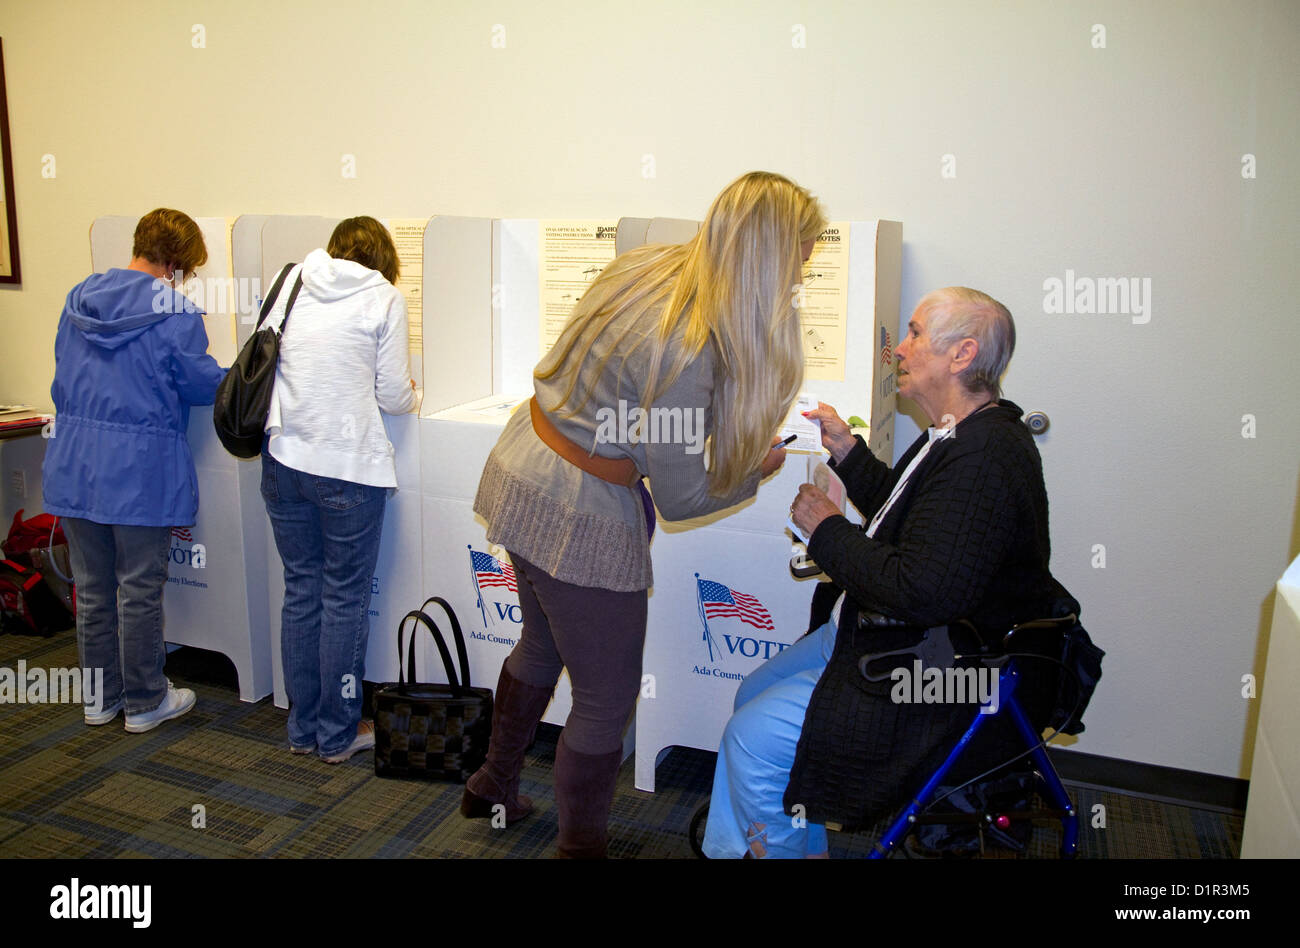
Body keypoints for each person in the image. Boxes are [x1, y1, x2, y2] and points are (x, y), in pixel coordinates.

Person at [464, 171, 827, 857]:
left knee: (540, 644)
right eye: (805, 249)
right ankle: (580, 850)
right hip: (580, 510)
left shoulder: (649, 266)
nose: (807, 265)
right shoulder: (689, 345)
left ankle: (491, 784)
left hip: (527, 465)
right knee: (606, 698)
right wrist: (754, 473)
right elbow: (684, 497)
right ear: (771, 254)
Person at [703, 286, 1061, 858]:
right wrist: (848, 451)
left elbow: (920, 589)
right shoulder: (957, 433)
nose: (900, 349)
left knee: (751, 737)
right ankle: (753, 843)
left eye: (916, 333)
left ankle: (774, 847)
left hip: (935, 665)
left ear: (962, 354)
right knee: (753, 690)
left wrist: (826, 530)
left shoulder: (983, 457)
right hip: (893, 636)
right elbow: (906, 515)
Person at [43, 208, 224, 732]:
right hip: (140, 471)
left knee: (93, 588)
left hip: (76, 462)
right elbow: (198, 385)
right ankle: (146, 701)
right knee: (140, 588)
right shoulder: (176, 313)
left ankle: (100, 700)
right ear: (174, 263)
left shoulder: (78, 300)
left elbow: (63, 381)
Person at [260, 217, 416, 763]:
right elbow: (395, 395)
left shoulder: (291, 280)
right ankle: (338, 732)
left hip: (283, 459)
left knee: (301, 590)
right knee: (344, 599)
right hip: (347, 468)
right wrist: (414, 395)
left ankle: (302, 729)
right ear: (385, 258)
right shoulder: (384, 297)